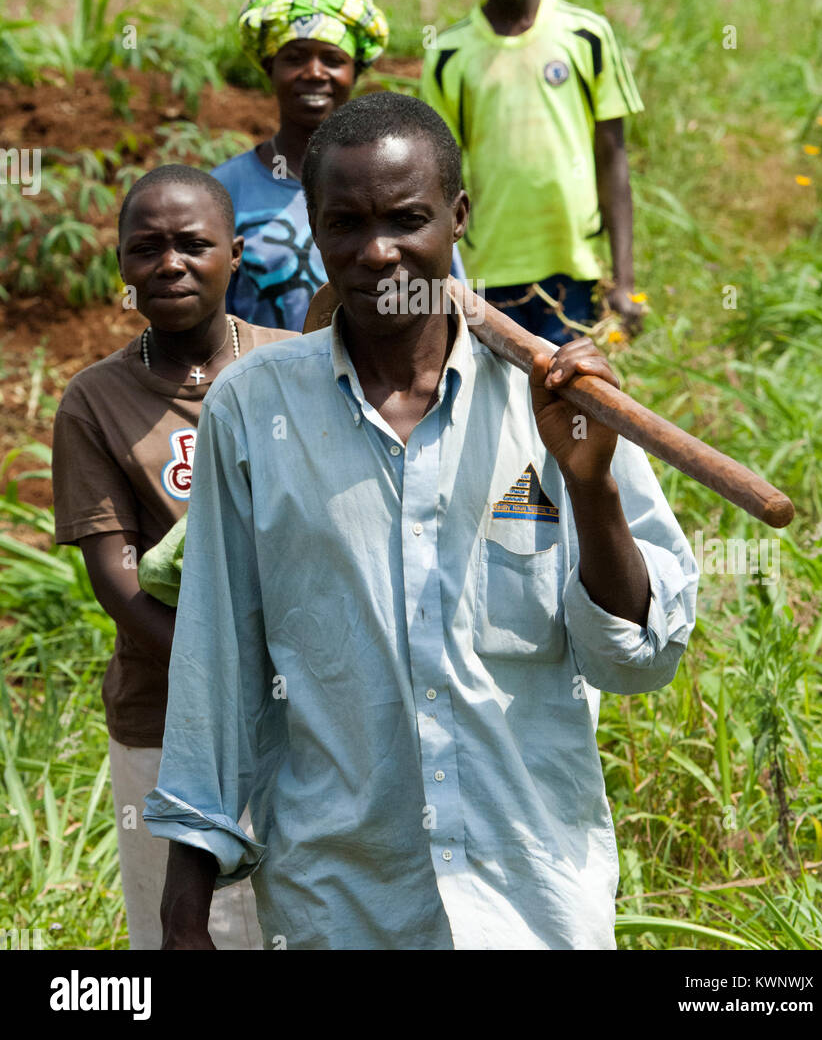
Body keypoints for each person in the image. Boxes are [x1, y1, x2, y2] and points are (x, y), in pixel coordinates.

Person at [144, 93, 698, 951]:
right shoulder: (252, 410)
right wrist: (184, 913)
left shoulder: (558, 401)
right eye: (345, 224)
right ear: (315, 229)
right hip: (342, 899)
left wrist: (591, 486)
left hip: (531, 898)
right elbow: (220, 659)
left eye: (407, 219)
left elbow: (637, 660)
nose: (377, 253)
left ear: (458, 216)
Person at [51, 164, 295, 950]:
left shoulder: (297, 366)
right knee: (192, 933)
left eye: (193, 244)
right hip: (167, 718)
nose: (170, 263)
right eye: (146, 247)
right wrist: (229, 680)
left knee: (309, 919)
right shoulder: (95, 400)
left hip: (312, 713)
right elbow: (117, 581)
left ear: (236, 251)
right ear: (121, 264)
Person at [419, 0, 645, 343]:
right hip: (484, 276)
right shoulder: (448, 53)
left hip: (573, 271)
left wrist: (625, 281)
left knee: (568, 408)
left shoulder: (586, 36)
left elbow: (612, 158)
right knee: (495, 410)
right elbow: (434, 174)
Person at [212, 0, 464, 332]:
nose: (314, 72)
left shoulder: (408, 183)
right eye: (295, 58)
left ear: (354, 71)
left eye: (332, 59)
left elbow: (449, 299)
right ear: (270, 68)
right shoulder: (225, 192)